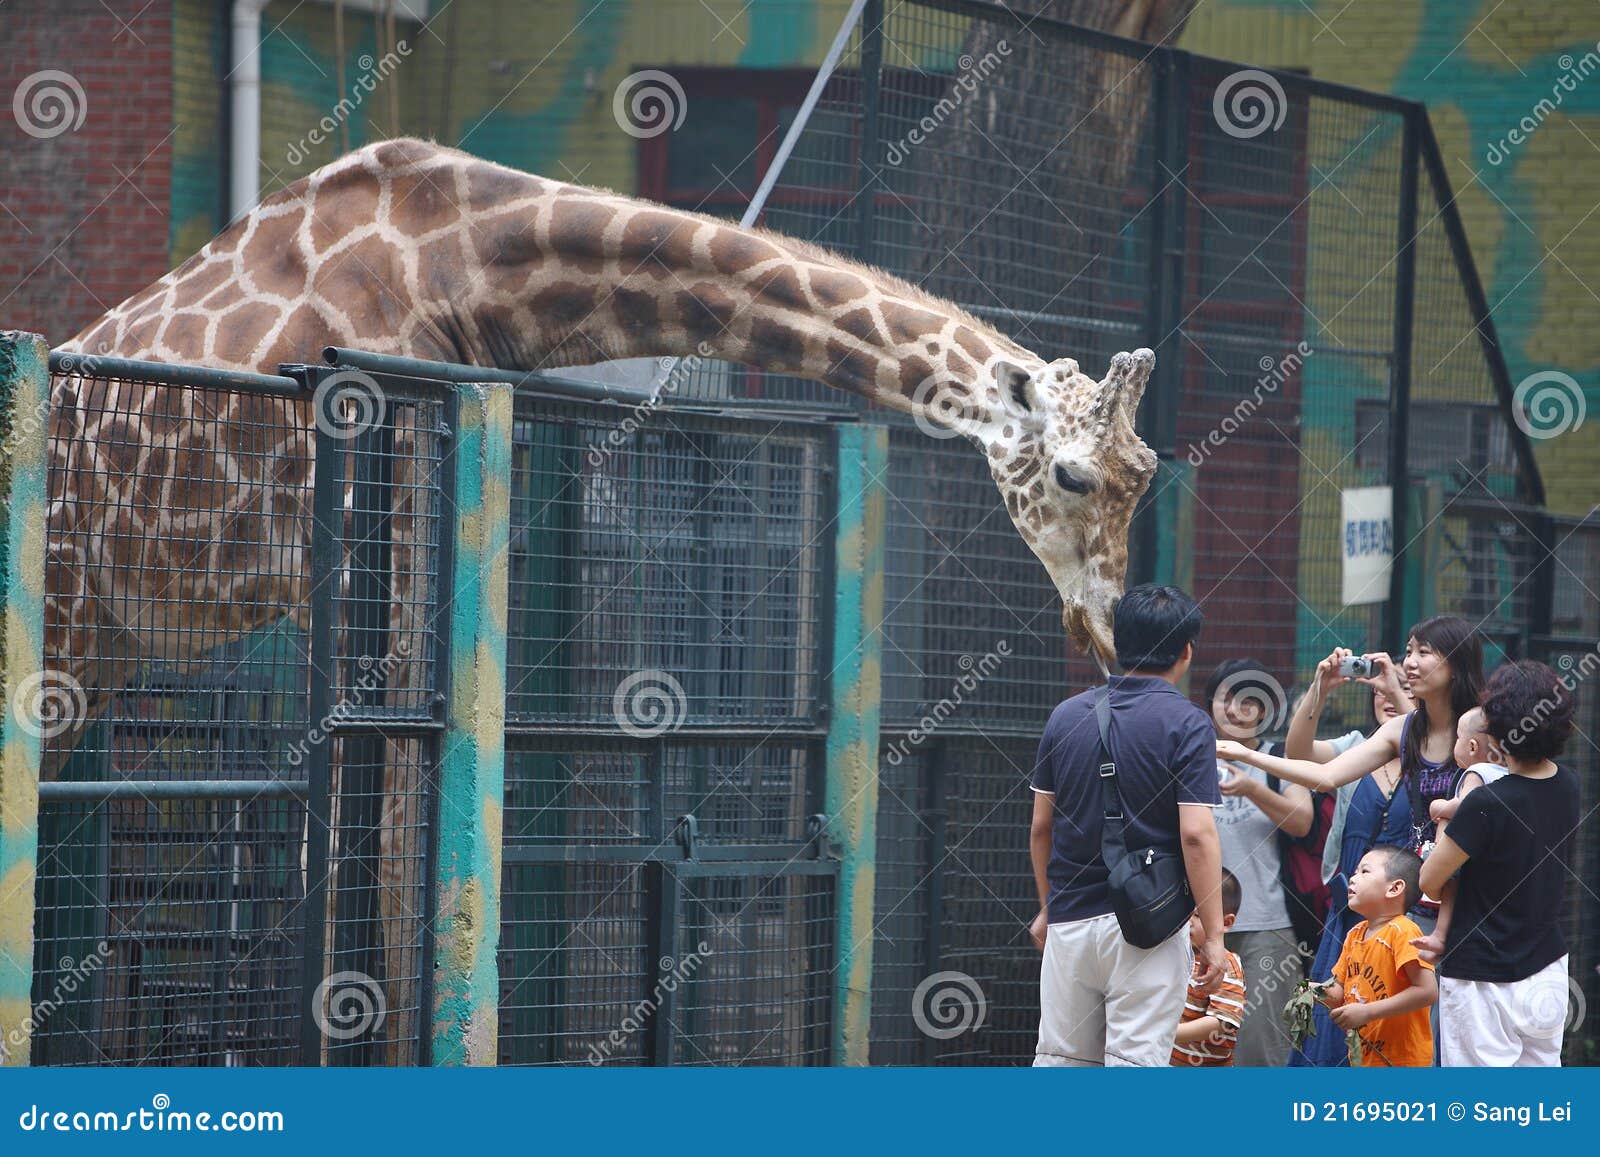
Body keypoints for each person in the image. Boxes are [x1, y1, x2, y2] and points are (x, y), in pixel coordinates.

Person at [1029, 583, 1225, 1067]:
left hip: (1071, 920)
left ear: (1118, 642)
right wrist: (1216, 937)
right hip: (1149, 925)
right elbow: (1196, 834)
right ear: (1186, 652)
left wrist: (1048, 908)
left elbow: (1041, 827)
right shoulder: (1188, 723)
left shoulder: (1066, 716)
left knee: (1061, 1063)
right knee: (1135, 1064)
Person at [1215, 616, 1485, 936]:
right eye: (1409, 651)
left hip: (1471, 897)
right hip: (1413, 902)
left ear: (1456, 663)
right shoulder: (1402, 729)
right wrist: (1247, 754)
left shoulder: (1481, 727)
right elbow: (1325, 776)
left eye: (1423, 653)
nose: (1410, 662)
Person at [1419, 661, 1580, 1066]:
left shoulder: (1486, 803)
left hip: (1481, 976)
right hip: (1546, 967)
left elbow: (1429, 880)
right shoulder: (1568, 785)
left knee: (1482, 1112)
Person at [1285, 667, 1415, 1067]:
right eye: (1380, 689)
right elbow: (1298, 751)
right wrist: (1319, 689)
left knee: (1393, 1033)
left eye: (1404, 687)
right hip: (1347, 917)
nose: (1389, 697)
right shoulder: (1358, 746)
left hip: (1408, 919)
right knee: (1329, 1027)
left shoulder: (1440, 757)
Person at [1206, 658, 1312, 1066]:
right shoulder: (1191, 756)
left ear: (1265, 710)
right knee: (1197, 1046)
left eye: (1247, 701)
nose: (1234, 710)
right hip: (1199, 927)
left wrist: (1252, 787)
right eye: (1225, 698)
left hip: (1266, 926)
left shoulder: (1279, 759)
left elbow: (1301, 822)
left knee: (1262, 1046)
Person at [1319, 845, 1437, 1066]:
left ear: (1394, 888)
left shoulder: (1403, 931)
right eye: (1355, 872)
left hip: (1404, 1062)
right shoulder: (1354, 934)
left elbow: (1428, 991)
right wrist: (1312, 990)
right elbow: (1339, 992)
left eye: (1364, 872)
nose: (1353, 879)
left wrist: (1367, 1012)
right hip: (1365, 1059)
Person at [1413, 707, 1507, 964]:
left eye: (1458, 738)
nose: (1455, 744)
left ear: (1473, 746)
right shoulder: (1507, 773)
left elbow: (1467, 807)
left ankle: (1439, 935)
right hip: (1490, 856)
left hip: (1462, 853)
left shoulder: (1476, 773)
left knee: (1450, 885)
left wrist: (1437, 808)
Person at [1172, 870, 1247, 1067]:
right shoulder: (1174, 953)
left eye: (1197, 915)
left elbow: (1222, 1021)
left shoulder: (1226, 965)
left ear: (1226, 922)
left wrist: (1169, 1032)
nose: (1187, 922)